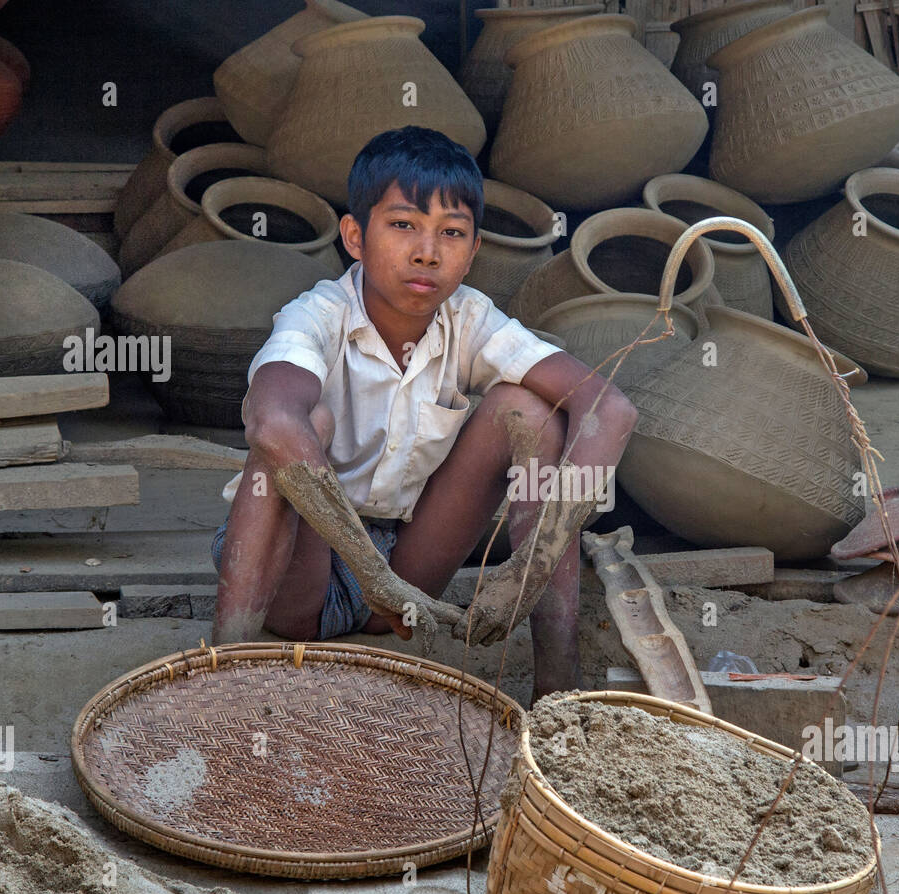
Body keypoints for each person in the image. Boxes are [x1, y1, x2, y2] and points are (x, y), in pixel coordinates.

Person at [209, 125, 638, 701]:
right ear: (356, 237)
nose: (427, 252)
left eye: (452, 233)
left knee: (531, 411)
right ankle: (217, 673)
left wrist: (525, 571)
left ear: (474, 250)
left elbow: (609, 408)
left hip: (402, 581)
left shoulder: (471, 318)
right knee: (305, 428)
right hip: (295, 576)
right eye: (404, 225)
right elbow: (272, 422)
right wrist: (369, 571)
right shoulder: (315, 316)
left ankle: (557, 684)